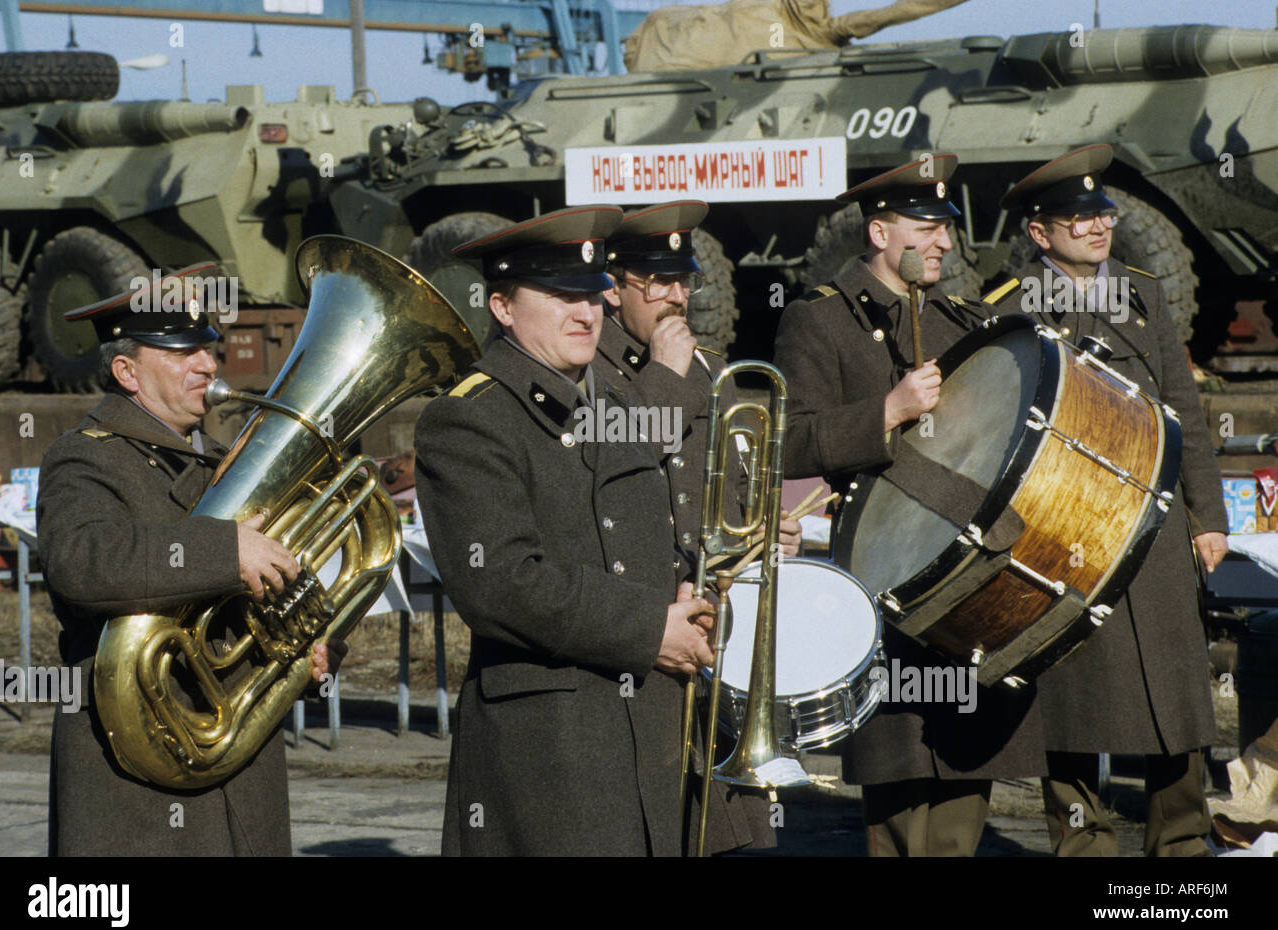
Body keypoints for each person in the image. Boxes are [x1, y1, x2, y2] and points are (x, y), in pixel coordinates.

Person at [415, 205, 716, 856]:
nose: (586, 311)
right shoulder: (469, 418)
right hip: (552, 749)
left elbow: (654, 533)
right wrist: (650, 629)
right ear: (501, 306)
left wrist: (692, 589)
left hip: (656, 734)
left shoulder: (617, 399)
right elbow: (501, 582)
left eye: (591, 293)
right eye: (560, 295)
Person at [772, 155, 1045, 856]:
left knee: (963, 780)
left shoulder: (959, 317)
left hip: (964, 578)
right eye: (927, 227)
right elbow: (791, 442)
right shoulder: (818, 319)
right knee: (898, 794)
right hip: (881, 578)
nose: (946, 243)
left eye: (948, 229)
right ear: (879, 231)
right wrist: (885, 411)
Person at [37, 264, 341, 856]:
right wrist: (224, 549)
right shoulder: (84, 458)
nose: (207, 364)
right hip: (136, 773)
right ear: (126, 371)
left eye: (207, 347)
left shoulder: (221, 464)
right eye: (181, 352)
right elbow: (82, 562)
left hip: (238, 768)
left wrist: (310, 645)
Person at [986, 144, 1229, 856]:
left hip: (1152, 533)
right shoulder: (1010, 306)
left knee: (1177, 701)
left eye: (1103, 211)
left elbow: (1182, 409)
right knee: (1074, 707)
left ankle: (1181, 852)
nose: (1098, 226)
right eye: (1077, 216)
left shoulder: (1144, 292)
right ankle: (1084, 849)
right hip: (1067, 537)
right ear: (1039, 234)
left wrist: (1207, 518)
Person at [597, 200, 801, 854]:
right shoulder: (587, 373)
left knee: (730, 839)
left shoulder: (713, 370)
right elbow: (608, 471)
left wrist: (761, 532)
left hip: (716, 647)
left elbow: (729, 487)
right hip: (635, 648)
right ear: (612, 284)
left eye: (684, 279)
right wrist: (663, 376)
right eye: (657, 283)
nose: (677, 297)